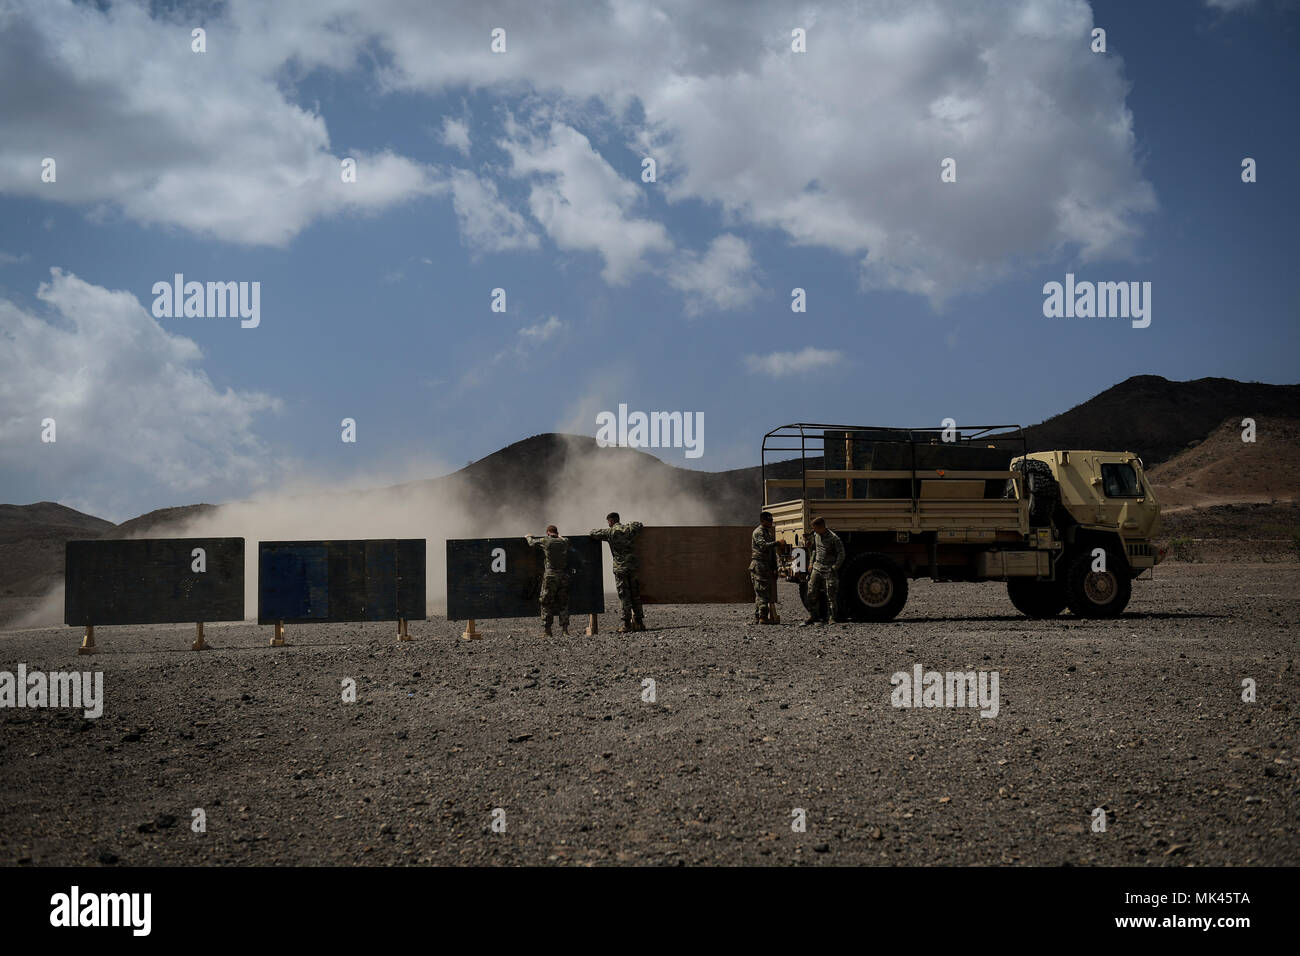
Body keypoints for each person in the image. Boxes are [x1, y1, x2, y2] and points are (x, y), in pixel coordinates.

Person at [590, 512, 645, 632]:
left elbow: (593, 533)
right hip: (632, 567)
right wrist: (628, 524)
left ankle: (626, 624)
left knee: (624, 596)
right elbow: (639, 524)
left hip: (620, 568)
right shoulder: (628, 529)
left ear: (610, 521)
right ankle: (640, 622)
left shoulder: (610, 532)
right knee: (635, 594)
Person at [525, 525, 569, 637]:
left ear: (548, 532)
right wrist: (558, 535)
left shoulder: (546, 541)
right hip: (562, 576)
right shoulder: (564, 542)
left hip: (550, 576)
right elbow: (564, 539)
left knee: (546, 602)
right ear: (557, 532)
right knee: (563, 603)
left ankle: (547, 631)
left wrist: (528, 536)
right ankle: (565, 631)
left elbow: (531, 543)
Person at [802, 516, 845, 626]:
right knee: (811, 592)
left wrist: (835, 567)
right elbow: (814, 550)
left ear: (821, 527)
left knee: (831, 594)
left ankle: (831, 617)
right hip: (817, 567)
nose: (814, 530)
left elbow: (841, 554)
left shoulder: (833, 538)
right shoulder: (816, 535)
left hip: (828, 569)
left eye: (815, 528)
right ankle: (814, 615)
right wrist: (811, 563)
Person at [750, 511, 779, 624]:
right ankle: (762, 617)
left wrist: (774, 567)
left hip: (766, 564)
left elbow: (772, 553)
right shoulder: (758, 532)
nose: (771, 522)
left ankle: (759, 616)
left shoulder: (768, 533)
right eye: (769, 520)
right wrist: (777, 543)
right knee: (762, 591)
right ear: (762, 521)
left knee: (763, 591)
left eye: (772, 520)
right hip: (759, 564)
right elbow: (763, 546)